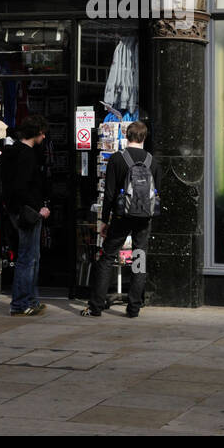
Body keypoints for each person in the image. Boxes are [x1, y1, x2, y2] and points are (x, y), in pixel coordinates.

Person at [82, 121, 156, 319]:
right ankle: (133, 308)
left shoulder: (117, 159)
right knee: (139, 257)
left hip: (122, 216)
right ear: (144, 137)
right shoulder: (152, 160)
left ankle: (96, 306)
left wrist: (104, 220)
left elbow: (110, 194)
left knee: (107, 258)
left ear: (127, 135)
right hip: (144, 217)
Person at [1, 114, 50, 316]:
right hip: (27, 212)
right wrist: (38, 208)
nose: (44, 137)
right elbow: (23, 187)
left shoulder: (10, 153)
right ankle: (22, 302)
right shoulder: (27, 156)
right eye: (43, 133)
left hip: (15, 210)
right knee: (28, 258)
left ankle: (29, 299)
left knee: (29, 256)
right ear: (37, 133)